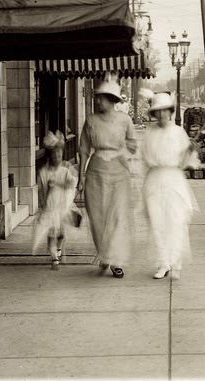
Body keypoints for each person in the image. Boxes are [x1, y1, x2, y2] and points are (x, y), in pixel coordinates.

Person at [78, 79, 137, 278]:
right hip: (95, 173)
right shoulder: (91, 121)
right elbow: (84, 149)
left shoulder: (124, 120)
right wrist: (80, 177)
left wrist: (121, 155)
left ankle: (117, 260)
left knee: (118, 216)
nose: (98, 101)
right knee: (98, 217)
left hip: (119, 173)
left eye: (101, 98)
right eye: (97, 97)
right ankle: (105, 254)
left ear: (112, 100)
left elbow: (132, 145)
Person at [140, 92, 200, 280]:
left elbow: (183, 162)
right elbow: (145, 159)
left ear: (170, 112)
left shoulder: (178, 132)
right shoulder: (149, 133)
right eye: (158, 112)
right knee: (157, 223)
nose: (162, 115)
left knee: (175, 220)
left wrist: (189, 151)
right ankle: (163, 262)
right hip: (154, 179)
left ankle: (175, 261)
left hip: (173, 179)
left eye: (165, 111)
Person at [32, 130, 79, 269]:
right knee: (52, 235)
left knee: (61, 235)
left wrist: (60, 184)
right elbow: (40, 190)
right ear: (50, 157)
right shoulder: (44, 173)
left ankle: (58, 251)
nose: (58, 157)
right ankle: (54, 259)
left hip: (62, 209)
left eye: (60, 155)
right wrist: (41, 206)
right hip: (50, 209)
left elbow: (72, 184)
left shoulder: (64, 171)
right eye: (55, 155)